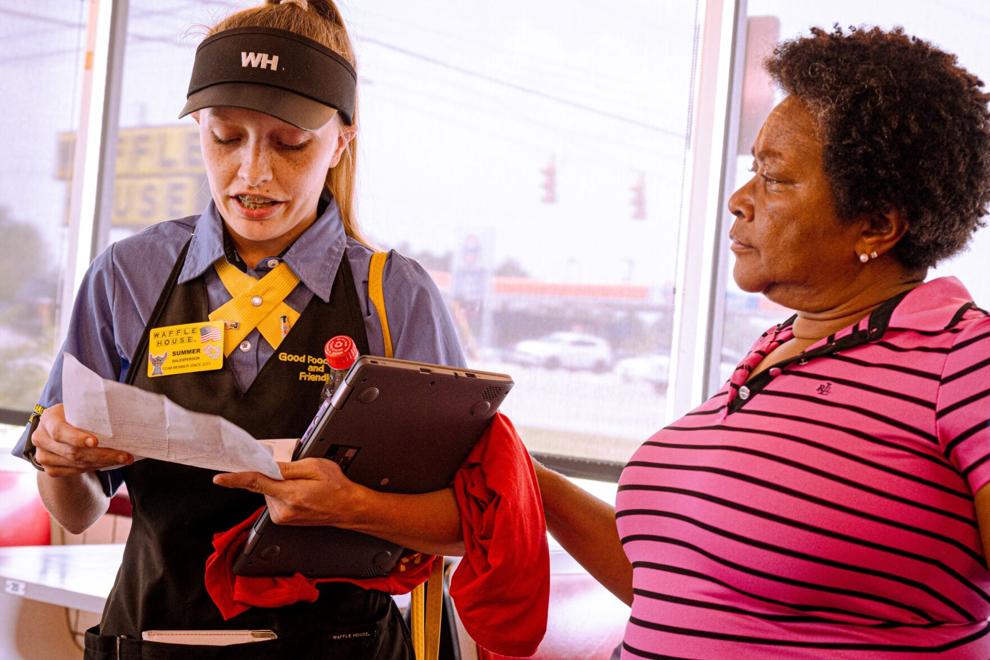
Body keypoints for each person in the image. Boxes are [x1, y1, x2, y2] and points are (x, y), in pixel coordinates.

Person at [14, 1, 472, 657]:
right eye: (225, 137)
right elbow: (79, 508)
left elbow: (464, 521)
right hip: (153, 637)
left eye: (290, 143)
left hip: (340, 644)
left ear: (341, 139)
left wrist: (352, 506)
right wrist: (61, 461)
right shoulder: (129, 276)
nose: (253, 173)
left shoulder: (394, 297)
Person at [537, 26, 990, 658]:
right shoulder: (773, 355)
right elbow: (681, 590)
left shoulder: (966, 363)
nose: (739, 200)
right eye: (755, 171)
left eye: (775, 180)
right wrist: (534, 483)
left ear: (877, 224)